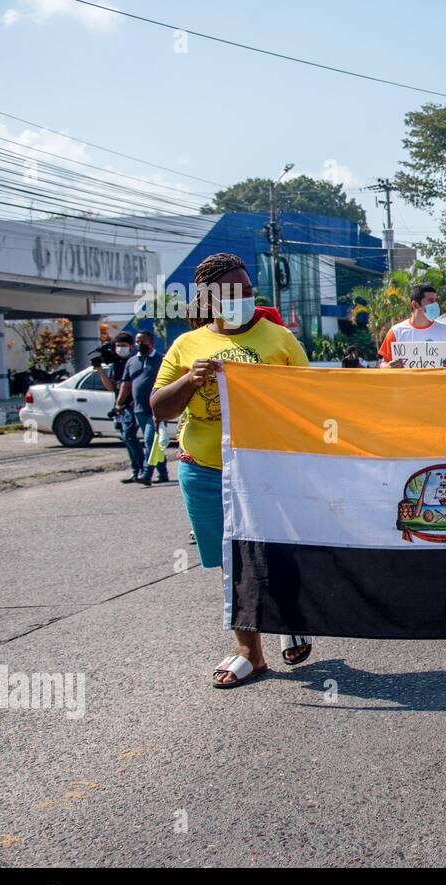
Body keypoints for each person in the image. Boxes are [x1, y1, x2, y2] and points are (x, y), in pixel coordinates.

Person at [150, 253, 312, 688]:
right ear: (210, 298)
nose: (243, 297)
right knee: (230, 564)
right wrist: (190, 381)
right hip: (204, 472)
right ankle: (250, 654)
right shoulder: (187, 346)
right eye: (232, 292)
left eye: (247, 290)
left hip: (266, 469)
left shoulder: (278, 338)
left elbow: (312, 400)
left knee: (273, 551)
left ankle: (288, 619)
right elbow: (159, 406)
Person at [116, 330, 169, 486]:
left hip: (156, 410)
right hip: (138, 410)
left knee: (149, 439)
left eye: (143, 341)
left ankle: (146, 474)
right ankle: (163, 473)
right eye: (138, 342)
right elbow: (126, 384)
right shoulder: (132, 362)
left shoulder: (161, 360)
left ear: (151, 342)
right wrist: (119, 403)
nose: (139, 344)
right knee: (152, 442)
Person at [378, 283, 446, 368]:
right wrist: (388, 366)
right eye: (431, 300)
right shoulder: (395, 332)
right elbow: (383, 363)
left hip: (439, 382)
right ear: (415, 305)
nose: (436, 304)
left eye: (435, 300)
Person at [96, 332, 141, 483]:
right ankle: (135, 471)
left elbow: (136, 385)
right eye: (118, 346)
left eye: (123, 346)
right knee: (126, 438)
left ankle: (143, 468)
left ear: (131, 347)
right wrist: (99, 370)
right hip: (119, 407)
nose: (120, 348)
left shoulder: (135, 361)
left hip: (131, 406)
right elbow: (110, 386)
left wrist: (133, 401)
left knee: (129, 435)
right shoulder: (116, 364)